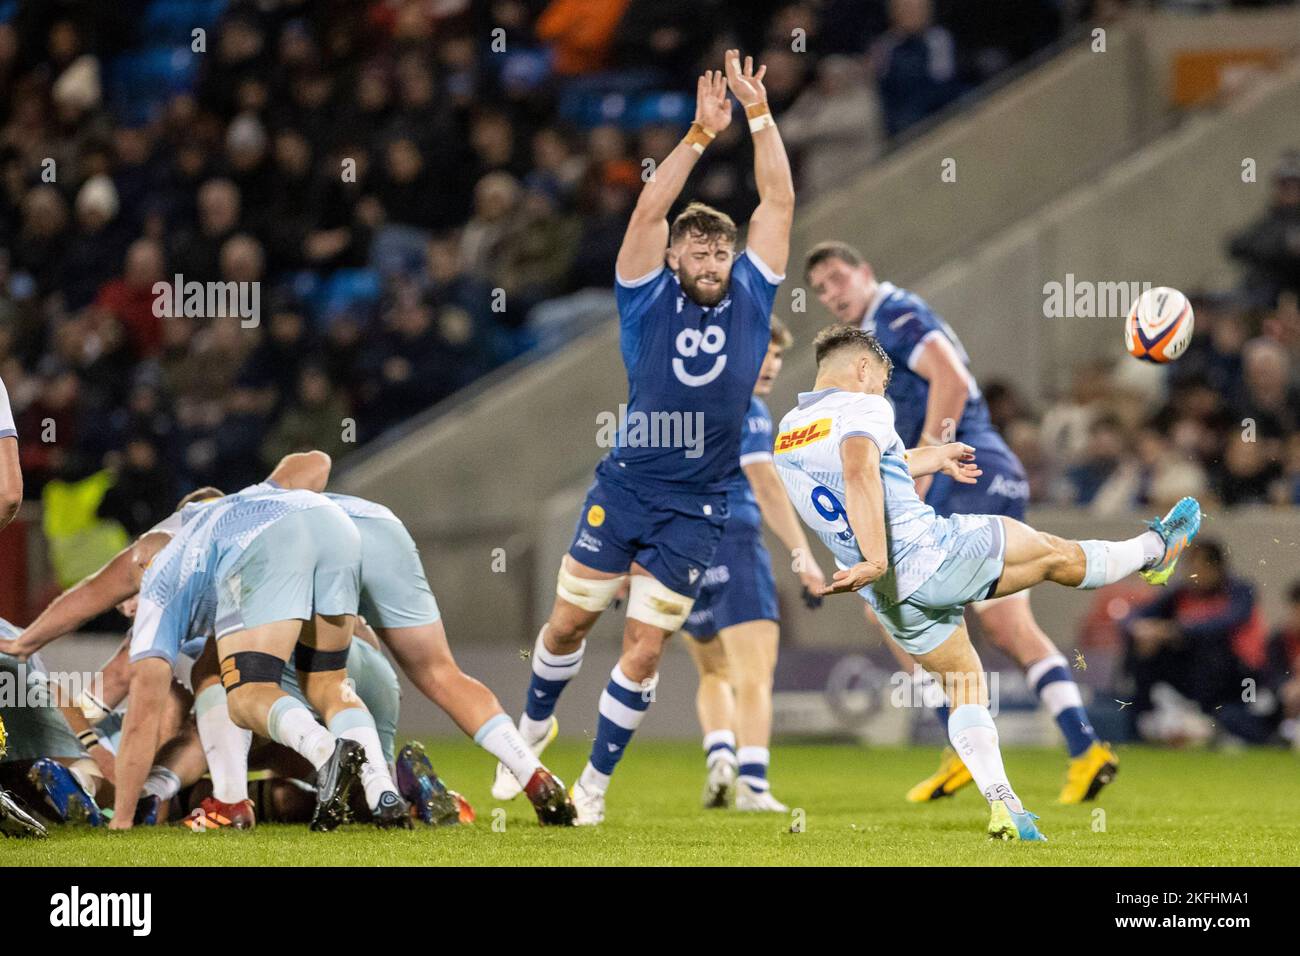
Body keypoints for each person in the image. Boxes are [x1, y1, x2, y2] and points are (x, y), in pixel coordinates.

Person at [491, 53, 795, 825]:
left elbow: (779, 201)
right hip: (625, 487)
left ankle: (591, 790)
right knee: (567, 623)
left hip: (697, 507)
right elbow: (647, 211)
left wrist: (760, 118)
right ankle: (530, 733)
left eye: (720, 250)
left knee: (646, 649)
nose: (712, 260)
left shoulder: (753, 294)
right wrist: (699, 134)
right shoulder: (643, 295)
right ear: (672, 257)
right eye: (698, 249)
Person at [774, 325, 1201, 840]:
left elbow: (868, 469)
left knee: (964, 684)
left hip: (892, 597)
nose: (884, 392)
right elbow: (861, 469)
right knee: (1050, 555)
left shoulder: (791, 431)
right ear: (863, 368)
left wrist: (933, 457)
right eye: (884, 381)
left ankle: (1005, 806)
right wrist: (876, 556)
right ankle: (1156, 549)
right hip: (928, 553)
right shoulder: (864, 407)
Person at [805, 240, 1120, 804]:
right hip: (982, 464)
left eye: (836, 278)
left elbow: (950, 380)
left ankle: (963, 742)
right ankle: (1083, 745)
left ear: (866, 271)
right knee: (1003, 625)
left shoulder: (894, 316)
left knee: (897, 601)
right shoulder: (887, 324)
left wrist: (924, 468)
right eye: (821, 289)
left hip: (964, 467)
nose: (831, 294)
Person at [682, 316, 825, 811]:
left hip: (684, 552)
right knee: (755, 674)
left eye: (779, 355)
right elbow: (764, 485)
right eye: (762, 351)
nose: (772, 363)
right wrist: (802, 554)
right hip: (735, 541)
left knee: (712, 670)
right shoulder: (750, 409)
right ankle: (754, 786)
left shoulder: (686, 403)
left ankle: (720, 755)